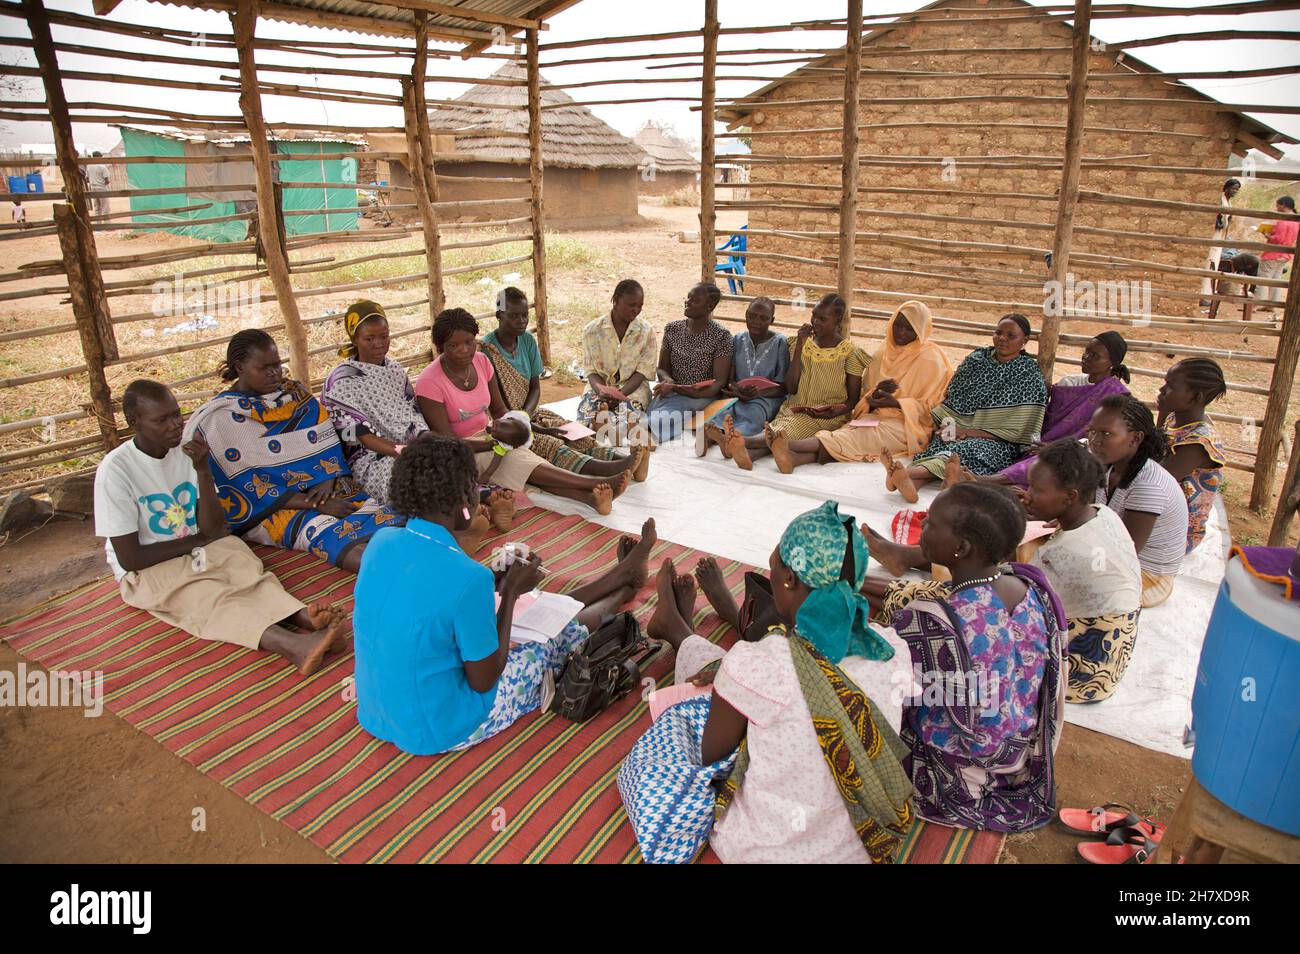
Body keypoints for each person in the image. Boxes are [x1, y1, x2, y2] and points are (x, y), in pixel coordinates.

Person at [643, 500, 914, 863]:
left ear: (788, 579)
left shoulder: (759, 662)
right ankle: (679, 628)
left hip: (764, 849)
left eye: (773, 565)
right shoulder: (891, 651)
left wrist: (732, 681)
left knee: (706, 682)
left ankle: (677, 631)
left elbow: (711, 754)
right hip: (852, 852)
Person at [352, 435, 659, 755]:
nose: (478, 494)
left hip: (376, 713)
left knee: (519, 615)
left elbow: (427, 597)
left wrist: (499, 586)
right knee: (555, 635)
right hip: (440, 728)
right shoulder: (469, 578)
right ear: (462, 506)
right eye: (474, 486)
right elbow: (484, 680)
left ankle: (622, 579)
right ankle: (624, 586)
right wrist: (510, 592)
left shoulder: (381, 542)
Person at [96, 380, 348, 674]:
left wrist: (203, 470)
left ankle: (300, 616)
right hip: (147, 567)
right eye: (161, 420)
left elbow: (215, 527)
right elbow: (130, 558)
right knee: (210, 595)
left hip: (198, 545)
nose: (175, 425)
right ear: (134, 422)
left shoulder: (186, 453)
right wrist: (201, 541)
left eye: (177, 414)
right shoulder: (116, 470)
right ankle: (292, 645)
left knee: (243, 568)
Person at [865, 483, 1067, 832]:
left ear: (961, 547)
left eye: (932, 523)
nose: (924, 526)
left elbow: (889, 682)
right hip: (1020, 750)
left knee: (856, 689)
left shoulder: (931, 620)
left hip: (961, 772)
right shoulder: (1030, 587)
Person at [185, 329, 405, 574]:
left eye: (277, 365)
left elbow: (323, 436)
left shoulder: (295, 397)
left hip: (323, 487)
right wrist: (314, 505)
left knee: (388, 516)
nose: (274, 373)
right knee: (331, 537)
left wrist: (328, 478)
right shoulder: (220, 420)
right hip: (272, 508)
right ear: (240, 367)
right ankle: (397, 578)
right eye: (264, 367)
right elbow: (242, 485)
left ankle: (422, 563)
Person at [416, 307, 632, 515]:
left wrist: (515, 428)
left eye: (469, 342)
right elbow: (445, 441)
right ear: (440, 346)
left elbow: (500, 410)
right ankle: (594, 482)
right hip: (459, 452)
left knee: (525, 461)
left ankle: (590, 498)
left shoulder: (481, 362)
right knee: (519, 462)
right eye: (453, 345)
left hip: (490, 436)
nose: (464, 350)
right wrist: (491, 443)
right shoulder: (430, 382)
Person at [752, 300, 952, 474]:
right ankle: (794, 459)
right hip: (873, 417)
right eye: (897, 325)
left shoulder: (931, 358)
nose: (900, 332)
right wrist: (873, 399)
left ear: (920, 330)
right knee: (847, 435)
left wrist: (898, 403)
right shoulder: (884, 352)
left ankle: (786, 444)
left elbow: (934, 408)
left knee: (851, 437)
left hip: (905, 425)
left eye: (909, 329)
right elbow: (864, 396)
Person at [1021, 439, 1143, 703]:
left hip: (1079, 677)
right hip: (1114, 660)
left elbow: (1016, 604)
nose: (1027, 495)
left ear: (1070, 497)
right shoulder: (1104, 514)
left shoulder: (1061, 553)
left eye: (1036, 489)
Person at [480, 286, 646, 479]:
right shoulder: (488, 351)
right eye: (514, 316)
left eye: (525, 315)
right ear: (499, 315)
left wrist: (528, 415)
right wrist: (529, 424)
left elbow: (535, 388)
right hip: (507, 423)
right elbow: (499, 408)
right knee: (549, 443)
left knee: (571, 431)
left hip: (531, 411)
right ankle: (610, 469)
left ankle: (621, 458)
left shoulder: (527, 341)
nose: (522, 321)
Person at [884, 314, 1047, 503]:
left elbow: (1019, 431)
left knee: (963, 451)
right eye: (998, 333)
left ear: (1025, 340)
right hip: (958, 429)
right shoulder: (976, 360)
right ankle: (911, 485)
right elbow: (953, 399)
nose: (1002, 339)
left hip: (999, 442)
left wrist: (968, 432)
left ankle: (907, 473)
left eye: (1011, 336)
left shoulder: (1029, 375)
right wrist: (951, 428)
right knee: (942, 442)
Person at [724, 293, 869, 469]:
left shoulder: (850, 352)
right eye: (814, 316)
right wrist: (800, 345)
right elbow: (791, 388)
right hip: (794, 410)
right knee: (779, 430)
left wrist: (831, 412)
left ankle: (743, 442)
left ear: (838, 319)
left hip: (827, 416)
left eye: (823, 319)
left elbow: (853, 399)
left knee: (783, 432)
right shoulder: (798, 344)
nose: (815, 322)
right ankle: (749, 456)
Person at [983, 331, 1130, 488]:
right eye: (1086, 351)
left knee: (1052, 462)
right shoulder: (1069, 383)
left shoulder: (1116, 395)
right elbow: (1045, 419)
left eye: (1095, 356)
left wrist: (1056, 448)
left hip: (1077, 454)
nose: (1086, 357)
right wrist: (1036, 442)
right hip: (1042, 445)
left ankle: (983, 481)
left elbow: (1097, 439)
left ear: (1112, 363)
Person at [1086, 394, 1188, 608]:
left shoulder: (1148, 486)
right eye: (1092, 431)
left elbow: (1124, 552)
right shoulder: (1111, 465)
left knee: (1055, 573)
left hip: (1147, 578)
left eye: (1105, 433)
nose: (1094, 440)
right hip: (1112, 553)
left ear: (1135, 439)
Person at [1156, 358, 1228, 554]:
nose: (1162, 390)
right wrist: (1162, 413)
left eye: (1170, 386)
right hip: (1162, 508)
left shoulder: (1198, 443)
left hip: (1178, 532)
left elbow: (1155, 481)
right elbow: (1155, 445)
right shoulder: (1175, 418)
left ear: (1196, 397)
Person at [646, 282, 733, 443]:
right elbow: (662, 368)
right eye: (688, 297)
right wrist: (668, 380)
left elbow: (719, 382)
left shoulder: (721, 336)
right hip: (673, 390)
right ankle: (644, 429)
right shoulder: (672, 329)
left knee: (668, 414)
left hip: (701, 397)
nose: (688, 302)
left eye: (695, 300)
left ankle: (645, 432)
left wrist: (694, 392)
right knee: (659, 407)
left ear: (710, 306)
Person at [698, 297, 788, 449]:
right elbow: (730, 378)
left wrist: (757, 394)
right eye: (752, 316)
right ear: (746, 315)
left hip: (765, 398)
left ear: (771, 320)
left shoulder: (780, 342)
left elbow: (783, 387)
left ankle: (731, 438)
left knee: (754, 415)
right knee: (723, 411)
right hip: (738, 395)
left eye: (763, 318)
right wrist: (737, 390)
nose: (756, 321)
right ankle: (715, 436)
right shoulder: (738, 339)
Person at [577, 279, 659, 432]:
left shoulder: (646, 332)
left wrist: (620, 394)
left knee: (630, 413)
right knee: (587, 415)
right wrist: (602, 391)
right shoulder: (592, 330)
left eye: (640, 306)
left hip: (632, 390)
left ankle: (610, 426)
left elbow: (642, 372)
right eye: (631, 305)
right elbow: (591, 371)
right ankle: (599, 424)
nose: (636, 310)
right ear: (615, 300)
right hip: (599, 389)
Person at [1201, 178, 1241, 304]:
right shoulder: (1220, 200)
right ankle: (1203, 295)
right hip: (1215, 236)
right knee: (1209, 264)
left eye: (1236, 189)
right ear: (1226, 188)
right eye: (1233, 188)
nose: (1234, 191)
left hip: (1220, 237)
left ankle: (1207, 294)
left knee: (1214, 266)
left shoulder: (1228, 202)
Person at [1257, 195, 1297, 310]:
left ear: (1283, 205)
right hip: (1286, 253)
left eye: (1278, 205)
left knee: (1263, 278)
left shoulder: (1282, 220)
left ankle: (1259, 302)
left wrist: (1267, 235)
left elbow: (1277, 238)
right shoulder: (1296, 220)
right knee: (1276, 279)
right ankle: (1272, 304)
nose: (1277, 207)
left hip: (1273, 253)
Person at [1207, 252, 1259, 322]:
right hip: (1246, 261)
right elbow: (1252, 278)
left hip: (1245, 261)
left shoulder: (1229, 264)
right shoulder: (1234, 265)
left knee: (1250, 279)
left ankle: (1250, 291)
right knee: (1251, 280)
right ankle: (1247, 319)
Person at [85, 152, 111, 218]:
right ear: (99, 157)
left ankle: (98, 225)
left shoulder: (89, 166)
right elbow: (107, 180)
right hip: (101, 188)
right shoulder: (102, 166)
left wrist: (93, 180)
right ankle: (107, 225)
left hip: (93, 188)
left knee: (97, 208)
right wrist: (104, 182)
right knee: (105, 207)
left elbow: (87, 179)